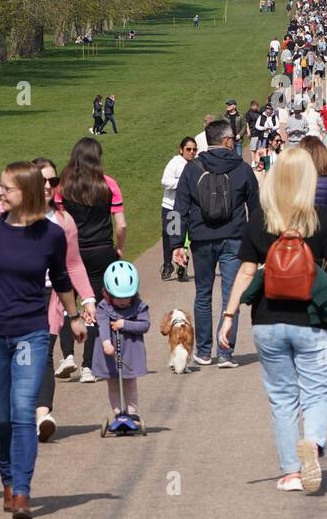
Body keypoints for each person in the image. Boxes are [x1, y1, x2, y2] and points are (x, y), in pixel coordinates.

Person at [220, 146, 327, 492]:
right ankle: (312, 442)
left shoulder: (261, 220)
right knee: (318, 393)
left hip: (268, 319)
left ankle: (291, 473)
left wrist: (228, 315)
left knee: (282, 398)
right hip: (314, 320)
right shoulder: (324, 218)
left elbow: (246, 272)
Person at [0, 161, 84, 519]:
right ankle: (7, 478)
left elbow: (62, 278)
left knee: (21, 413)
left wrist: (75, 316)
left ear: (27, 193)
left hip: (30, 334)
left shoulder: (50, 234)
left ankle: (22, 491)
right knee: (0, 417)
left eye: (6, 188)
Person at [175, 119, 260, 367]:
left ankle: (202, 351)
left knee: (202, 294)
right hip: (234, 237)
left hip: (201, 239)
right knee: (230, 295)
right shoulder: (242, 168)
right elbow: (256, 209)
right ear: (227, 141)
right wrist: (258, 242)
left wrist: (175, 244)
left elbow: (176, 209)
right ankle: (225, 353)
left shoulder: (192, 168)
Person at [29, 158, 97, 442]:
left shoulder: (63, 219)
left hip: (50, 294)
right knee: (18, 356)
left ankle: (42, 415)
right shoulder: (9, 213)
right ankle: (20, 414)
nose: (48, 186)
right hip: (16, 296)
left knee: (43, 352)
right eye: (42, 180)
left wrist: (88, 299)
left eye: (53, 181)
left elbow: (73, 264)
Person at [57, 138, 127, 383]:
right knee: (95, 307)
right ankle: (88, 366)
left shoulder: (63, 187)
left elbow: (56, 220)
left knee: (67, 304)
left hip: (70, 251)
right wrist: (118, 248)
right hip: (101, 250)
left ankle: (67, 355)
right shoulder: (108, 185)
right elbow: (121, 225)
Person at [91, 261, 151, 419]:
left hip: (130, 350)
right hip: (110, 351)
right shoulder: (104, 307)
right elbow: (103, 324)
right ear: (109, 294)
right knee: (112, 383)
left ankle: (131, 413)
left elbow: (145, 325)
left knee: (130, 383)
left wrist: (124, 324)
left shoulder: (139, 306)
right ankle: (118, 413)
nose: (123, 301)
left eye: (127, 297)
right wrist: (106, 342)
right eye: (119, 298)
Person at [160, 137, 198, 281]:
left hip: (188, 209)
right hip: (172, 208)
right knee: (171, 237)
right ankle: (168, 264)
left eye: (194, 149)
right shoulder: (175, 163)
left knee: (186, 239)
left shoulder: (196, 164)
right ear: (181, 150)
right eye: (188, 149)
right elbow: (165, 181)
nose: (192, 152)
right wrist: (183, 183)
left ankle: (182, 268)